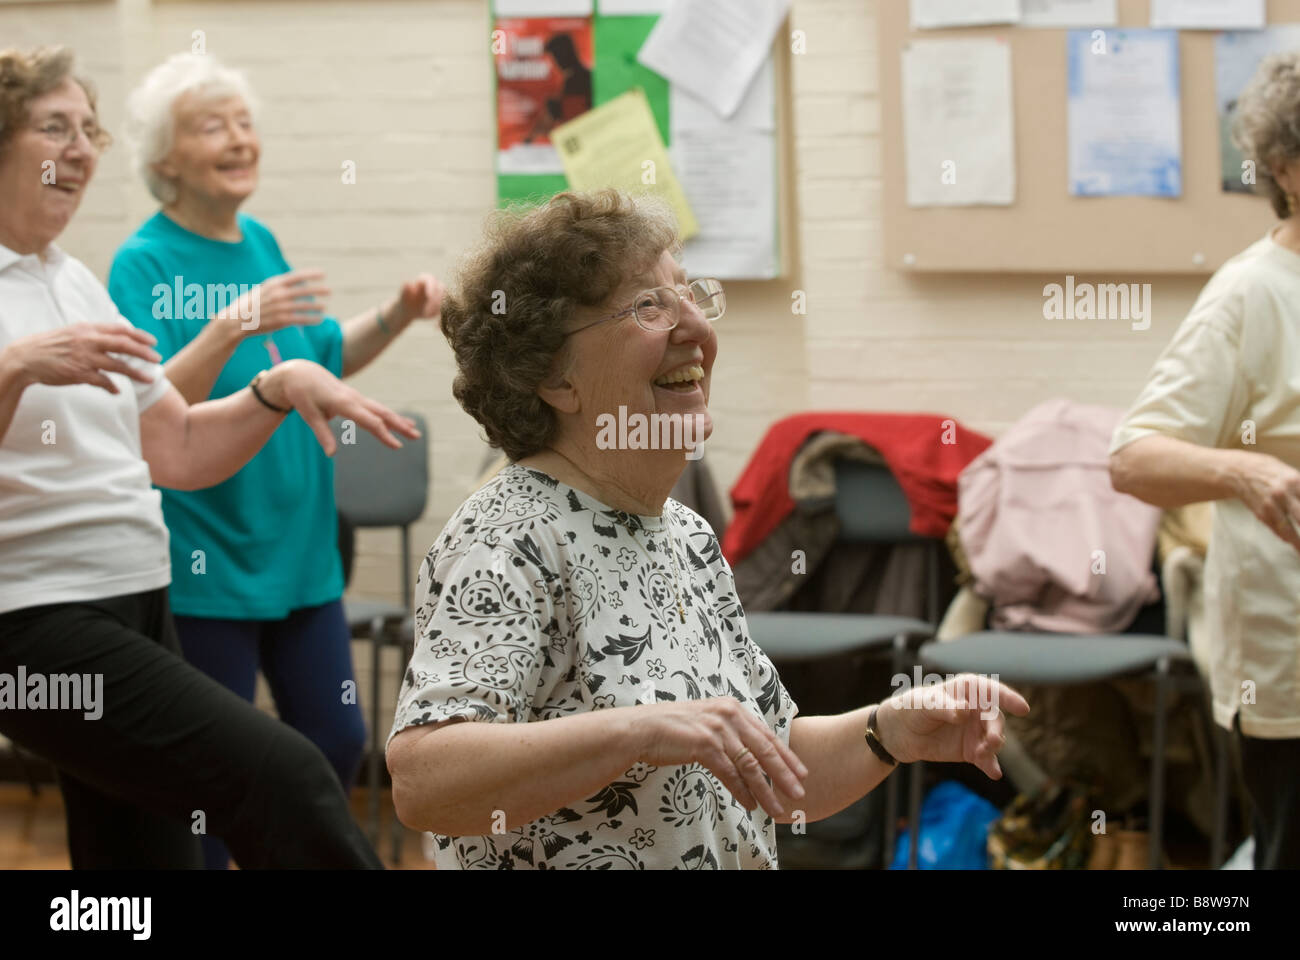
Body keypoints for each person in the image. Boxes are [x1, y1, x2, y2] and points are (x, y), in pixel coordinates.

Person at [385, 189, 1029, 869]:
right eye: (650, 306)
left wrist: (888, 730)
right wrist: (643, 731)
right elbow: (425, 779)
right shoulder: (508, 538)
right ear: (554, 376)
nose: (694, 327)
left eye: (692, 296)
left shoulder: (684, 535)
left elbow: (774, 764)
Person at [0, 45, 416, 868]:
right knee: (283, 775)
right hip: (42, 620)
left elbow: (177, 445)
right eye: (55, 128)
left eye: (90, 128)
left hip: (137, 597)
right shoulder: (104, 277)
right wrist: (16, 367)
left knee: (142, 871)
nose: (83, 148)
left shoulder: (71, 281)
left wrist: (278, 386)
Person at [105, 53, 443, 869]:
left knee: (336, 736)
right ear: (163, 160)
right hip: (206, 560)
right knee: (213, 775)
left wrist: (396, 316)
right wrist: (228, 326)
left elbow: (316, 358)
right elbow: (146, 407)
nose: (238, 137)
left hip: (300, 556)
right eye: (210, 125)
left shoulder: (260, 241)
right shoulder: (140, 264)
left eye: (245, 121)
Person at [1110, 51, 1300, 870]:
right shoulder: (1249, 293)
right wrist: (1244, 471)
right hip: (1288, 658)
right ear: (1289, 165)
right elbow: (1133, 457)